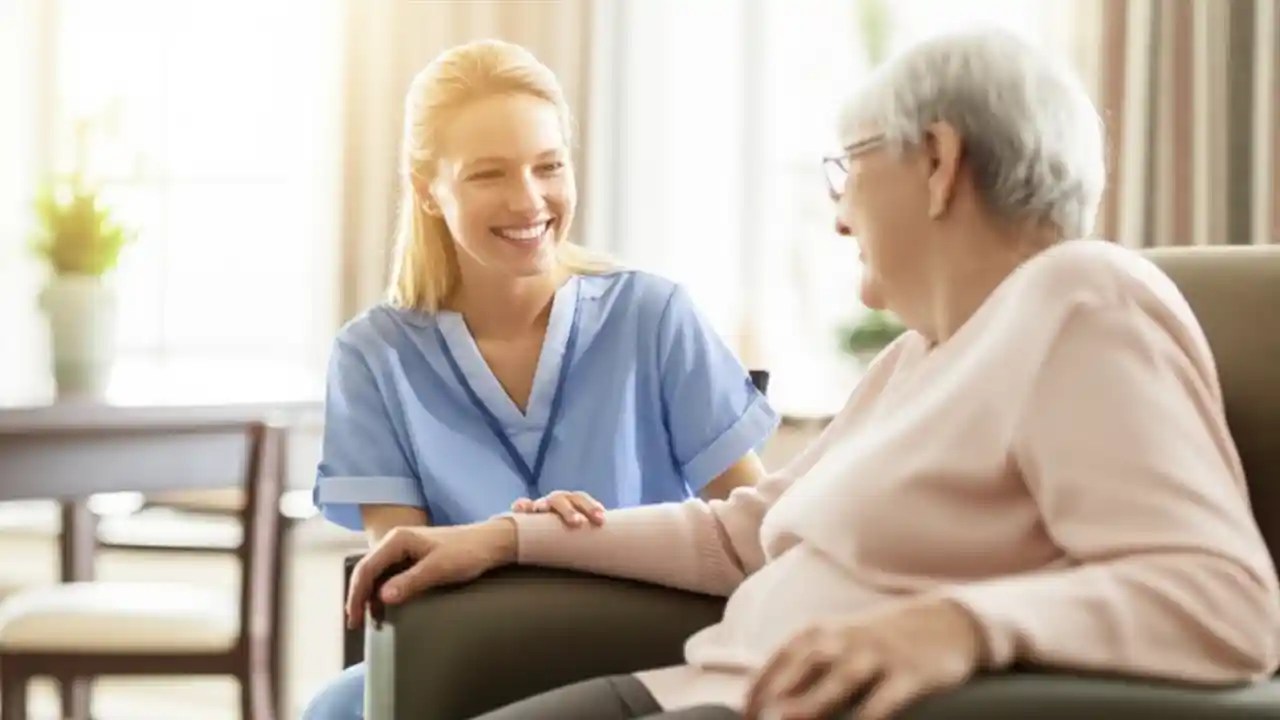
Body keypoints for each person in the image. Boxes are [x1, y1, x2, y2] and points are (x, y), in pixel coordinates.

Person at [345, 28, 1280, 720]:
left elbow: (1223, 599)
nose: (837, 217)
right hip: (701, 684)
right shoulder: (924, 352)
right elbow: (746, 536)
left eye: (847, 169)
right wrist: (508, 541)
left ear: (940, 162)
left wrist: (958, 627)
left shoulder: (1084, 299)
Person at [303, 40, 778, 720]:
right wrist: (523, 537)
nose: (529, 201)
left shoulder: (654, 317)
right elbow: (402, 574)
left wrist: (583, 536)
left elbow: (765, 532)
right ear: (427, 190)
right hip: (469, 658)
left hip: (655, 651)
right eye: (489, 174)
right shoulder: (371, 356)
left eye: (548, 166)